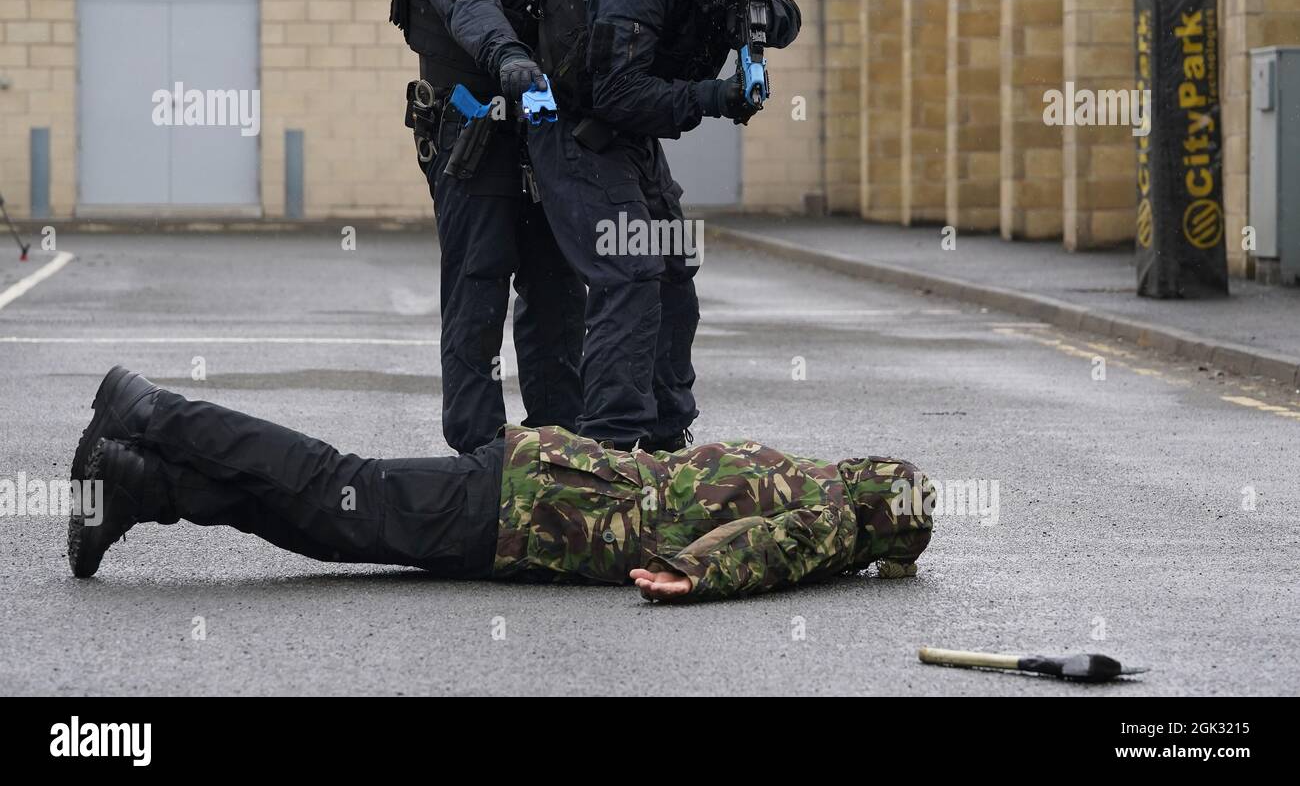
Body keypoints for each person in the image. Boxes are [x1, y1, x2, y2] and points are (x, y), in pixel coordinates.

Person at [68, 368, 934, 602]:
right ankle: (149, 410)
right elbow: (778, 548)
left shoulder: (803, 471)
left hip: (547, 485)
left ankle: (139, 485)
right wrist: (706, 574)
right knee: (338, 491)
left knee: (332, 522)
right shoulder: (833, 519)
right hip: (536, 513)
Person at [527, 0, 803, 453]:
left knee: (674, 269)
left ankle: (665, 439)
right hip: (579, 133)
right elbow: (617, 92)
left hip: (629, 141)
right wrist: (717, 96)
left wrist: (756, 15)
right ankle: (611, 453)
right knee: (630, 272)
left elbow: (786, 16)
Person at [390, 0, 584, 455]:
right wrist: (508, 59)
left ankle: (562, 440)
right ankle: (477, 444)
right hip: (472, 140)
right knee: (478, 284)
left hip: (543, 140)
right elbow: (470, 9)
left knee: (555, 287)